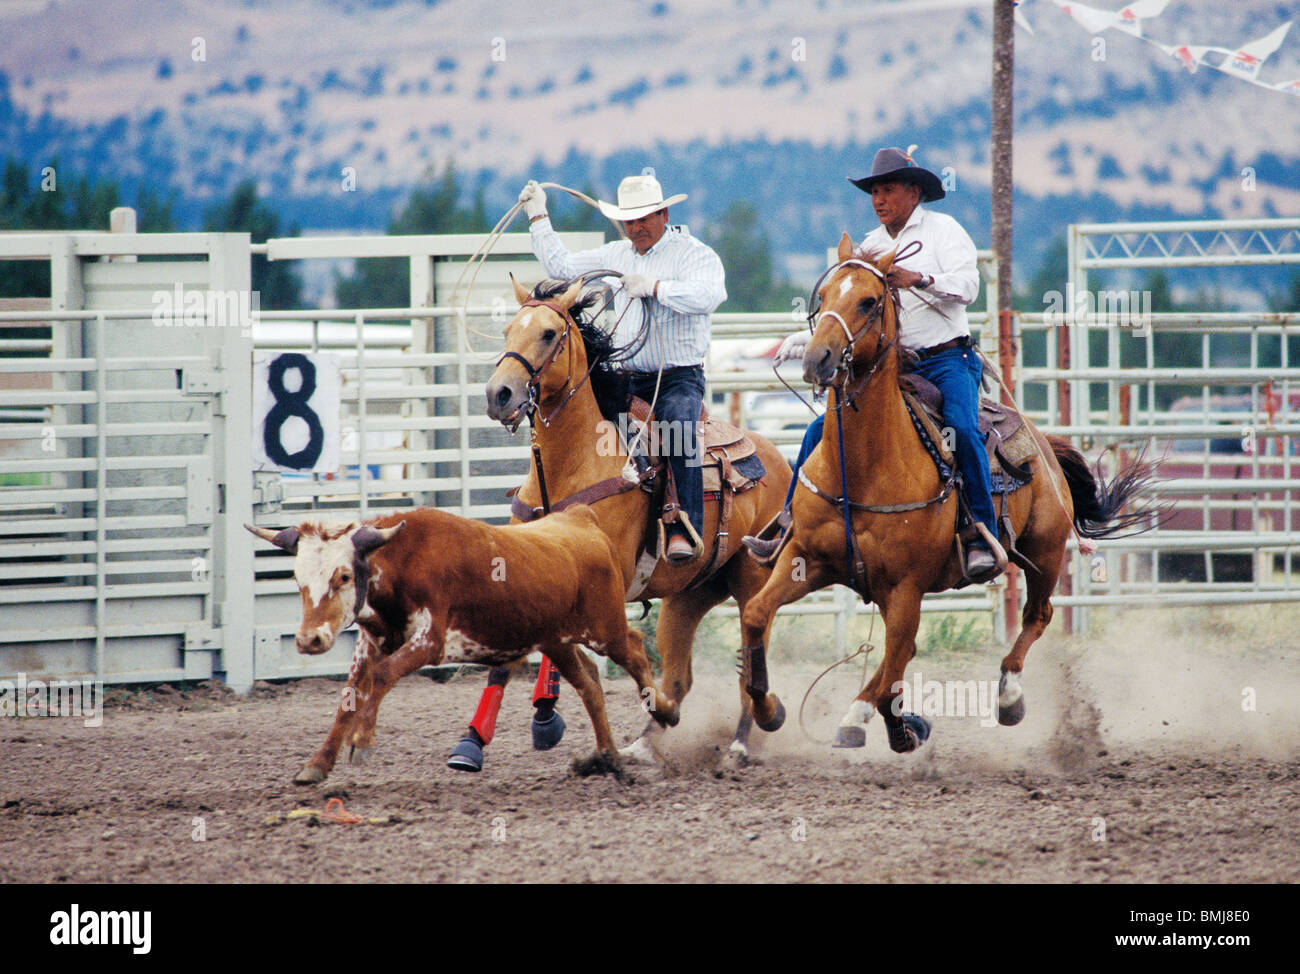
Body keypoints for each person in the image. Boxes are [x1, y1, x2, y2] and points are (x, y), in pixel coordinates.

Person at [742, 146, 1003, 581]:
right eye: (874, 192)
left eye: (887, 190)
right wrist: (808, 339)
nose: (879, 200)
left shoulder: (945, 231)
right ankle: (789, 521)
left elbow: (969, 287)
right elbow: (850, 310)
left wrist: (920, 278)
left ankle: (980, 532)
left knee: (960, 425)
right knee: (820, 429)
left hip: (945, 358)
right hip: (892, 365)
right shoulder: (871, 246)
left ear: (913, 193)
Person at [517, 170, 726, 563]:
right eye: (629, 220)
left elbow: (710, 295)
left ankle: (684, 525)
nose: (636, 228)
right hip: (626, 375)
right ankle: (553, 502)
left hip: (677, 378)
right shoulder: (616, 255)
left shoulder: (695, 255)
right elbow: (561, 265)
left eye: (644, 218)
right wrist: (538, 217)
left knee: (679, 427)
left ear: (664, 214)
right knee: (569, 412)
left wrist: (656, 288)